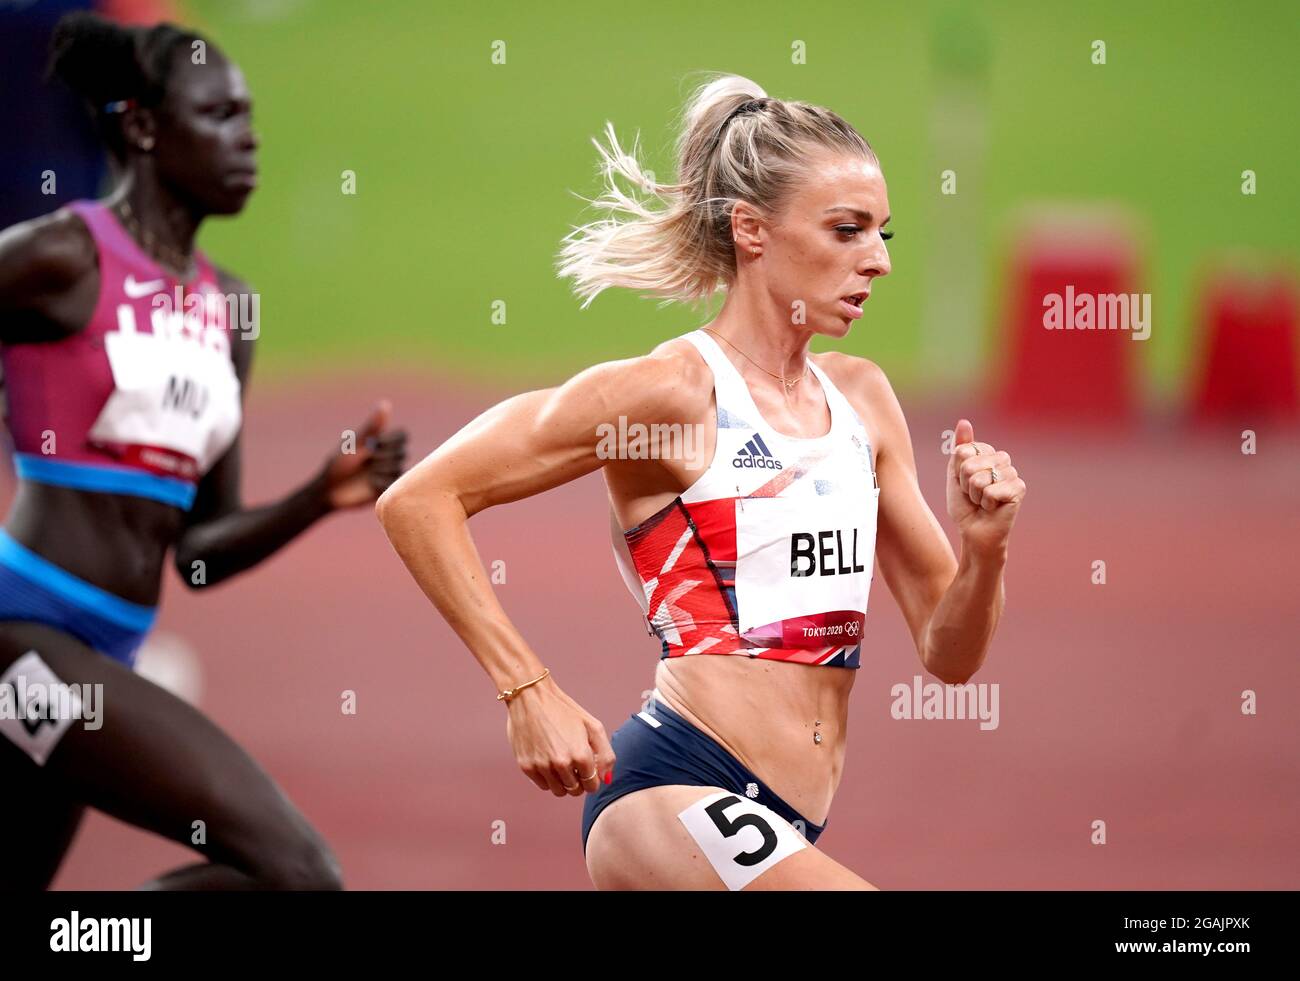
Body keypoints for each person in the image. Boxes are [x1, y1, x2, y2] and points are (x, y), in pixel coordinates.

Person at [376, 73, 1025, 890]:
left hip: (788, 817)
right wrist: (526, 689)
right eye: (848, 230)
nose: (879, 261)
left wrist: (986, 548)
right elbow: (421, 498)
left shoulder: (862, 400)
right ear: (752, 230)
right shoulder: (673, 394)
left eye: (883, 233)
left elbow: (950, 653)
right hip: (672, 788)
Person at [0, 12, 407, 889]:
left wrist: (316, 497)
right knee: (295, 871)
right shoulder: (65, 256)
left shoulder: (229, 309)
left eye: (250, 117)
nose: (249, 141)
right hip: (22, 641)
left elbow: (196, 558)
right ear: (144, 127)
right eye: (219, 117)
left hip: (108, 650)